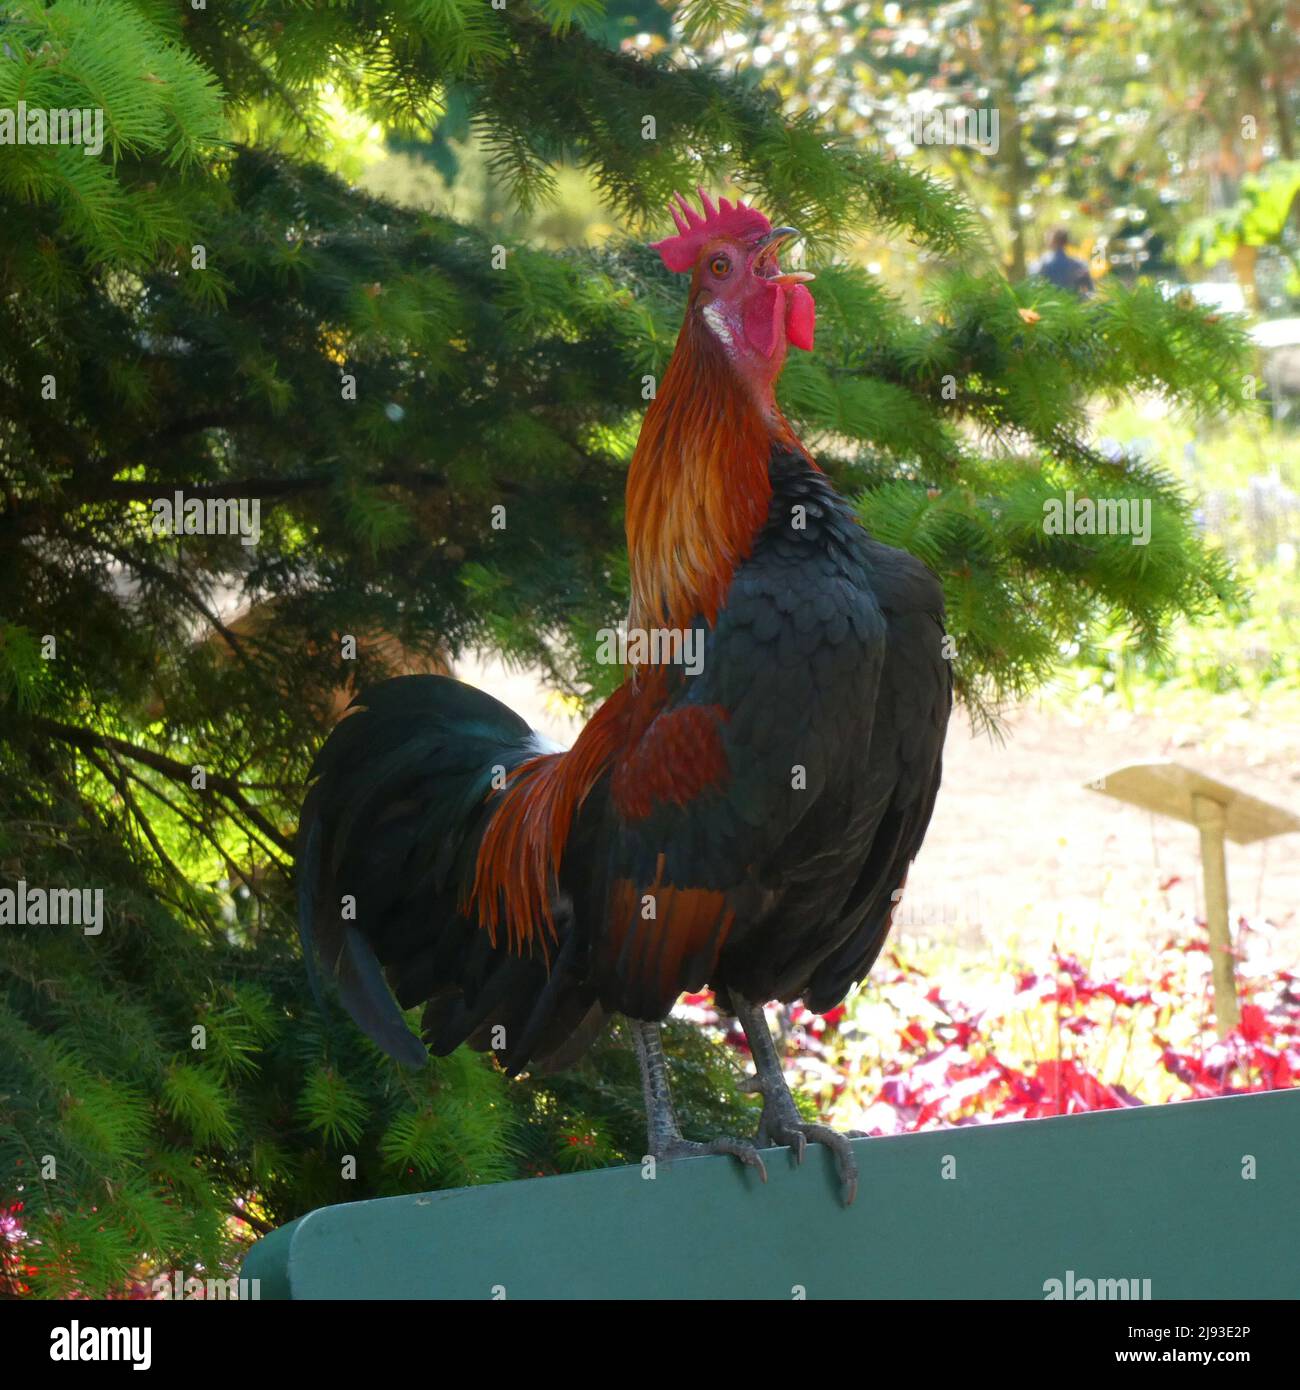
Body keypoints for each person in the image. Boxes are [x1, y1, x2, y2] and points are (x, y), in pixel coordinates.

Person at [1034, 228, 1093, 295]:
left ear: (1051, 242)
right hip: (1072, 303)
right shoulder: (1079, 265)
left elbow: (1036, 289)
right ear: (1066, 242)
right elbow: (1090, 291)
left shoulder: (1043, 265)